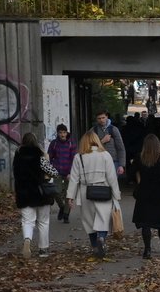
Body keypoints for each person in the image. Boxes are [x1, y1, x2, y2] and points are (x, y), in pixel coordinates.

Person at [68, 130, 122, 258]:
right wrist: (116, 194)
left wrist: (70, 196)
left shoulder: (78, 157)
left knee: (89, 221)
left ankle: (94, 246)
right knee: (103, 218)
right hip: (103, 190)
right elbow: (112, 177)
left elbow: (74, 178)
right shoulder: (105, 155)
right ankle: (102, 238)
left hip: (85, 192)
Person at [131, 133, 160, 258]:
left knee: (145, 223)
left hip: (143, 193)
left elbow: (130, 174)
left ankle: (147, 249)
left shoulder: (139, 158)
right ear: (158, 145)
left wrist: (137, 176)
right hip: (159, 194)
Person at [12, 132, 56, 258]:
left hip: (24, 193)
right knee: (43, 221)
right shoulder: (40, 156)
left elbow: (15, 174)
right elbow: (53, 172)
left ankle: (27, 240)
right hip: (40, 193)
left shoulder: (17, 156)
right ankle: (43, 249)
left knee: (27, 221)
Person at [47, 123, 78, 223]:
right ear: (58, 133)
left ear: (66, 132)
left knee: (68, 194)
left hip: (69, 172)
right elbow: (49, 157)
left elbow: (74, 159)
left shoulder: (71, 143)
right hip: (57, 171)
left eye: (64, 132)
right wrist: (51, 169)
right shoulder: (54, 143)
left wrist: (71, 172)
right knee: (56, 191)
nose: (62, 135)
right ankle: (62, 207)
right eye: (60, 133)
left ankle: (66, 215)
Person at [93, 110, 124, 181]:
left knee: (113, 183)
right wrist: (102, 141)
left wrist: (121, 165)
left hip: (113, 161)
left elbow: (120, 148)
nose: (101, 120)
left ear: (107, 117)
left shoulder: (114, 129)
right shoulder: (93, 130)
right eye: (99, 118)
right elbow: (89, 147)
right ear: (96, 119)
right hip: (98, 161)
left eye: (103, 117)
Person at [121, 113, 146, 181]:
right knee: (138, 163)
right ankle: (137, 177)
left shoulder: (125, 128)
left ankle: (130, 177)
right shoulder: (139, 127)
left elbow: (123, 138)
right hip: (137, 148)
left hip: (128, 148)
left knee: (128, 163)